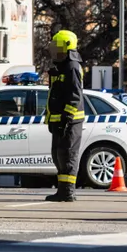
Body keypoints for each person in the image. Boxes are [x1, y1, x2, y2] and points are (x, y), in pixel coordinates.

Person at [45, 30, 84, 202]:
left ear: (68, 48)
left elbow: (75, 95)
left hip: (70, 121)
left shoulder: (72, 67)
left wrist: (66, 118)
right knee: (58, 155)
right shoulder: (61, 67)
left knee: (68, 155)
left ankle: (68, 192)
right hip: (59, 120)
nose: (56, 52)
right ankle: (62, 190)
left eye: (59, 48)